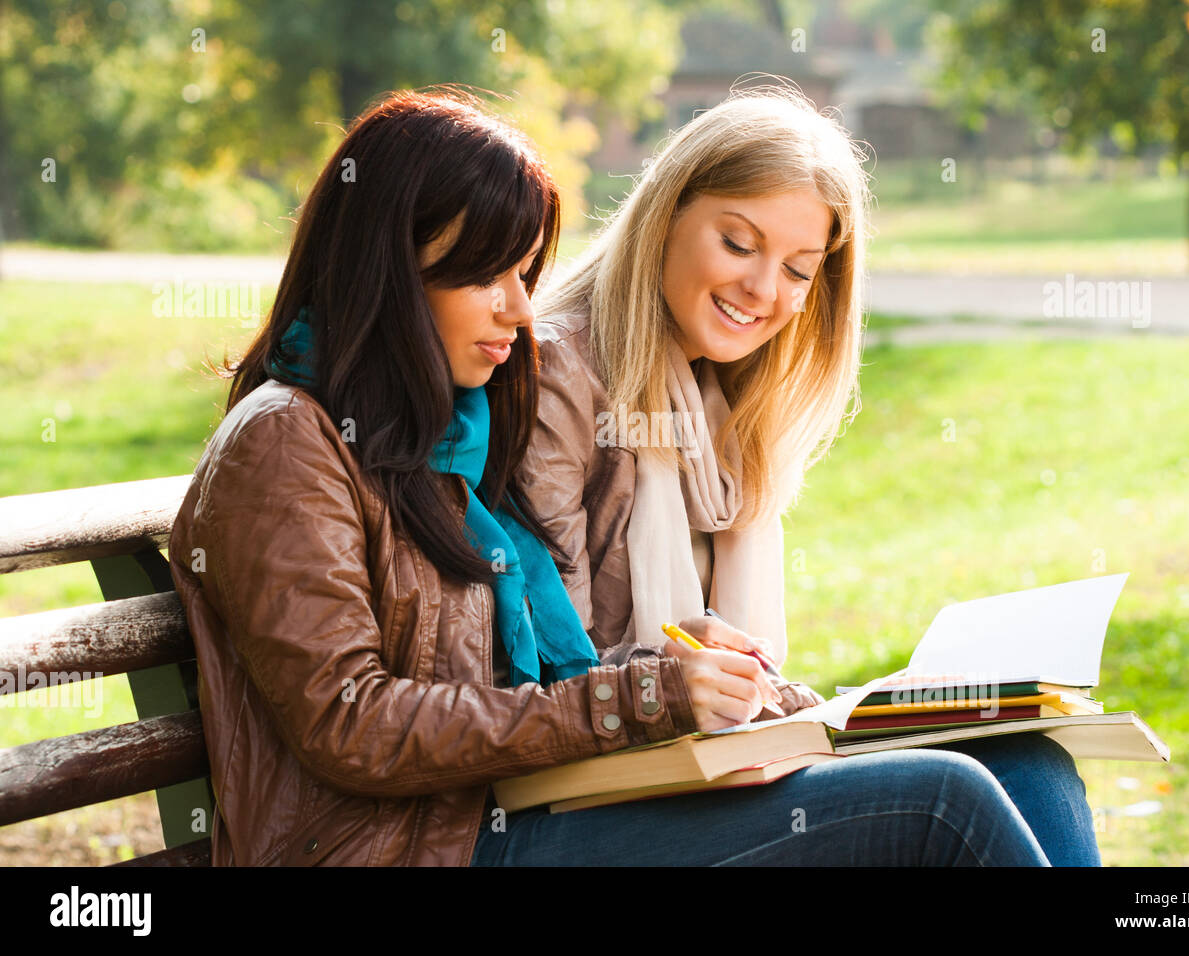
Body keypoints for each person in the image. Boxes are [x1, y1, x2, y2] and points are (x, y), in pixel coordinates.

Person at [168, 87, 1051, 867]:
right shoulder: (286, 443)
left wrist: (693, 673)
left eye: (525, 274)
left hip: (497, 818)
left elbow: (524, 670)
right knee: (944, 803)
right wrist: (644, 694)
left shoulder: (442, 437)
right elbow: (350, 725)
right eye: (490, 275)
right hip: (421, 846)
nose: (522, 310)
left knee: (1024, 759)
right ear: (393, 264)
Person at [515, 84, 1101, 865]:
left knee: (1029, 758)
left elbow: (742, 677)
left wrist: (891, 707)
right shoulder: (559, 374)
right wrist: (687, 681)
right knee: (945, 796)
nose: (763, 291)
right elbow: (547, 669)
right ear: (665, 215)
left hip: (707, 767)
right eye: (737, 243)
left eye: (798, 269)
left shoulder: (725, 403)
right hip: (583, 799)